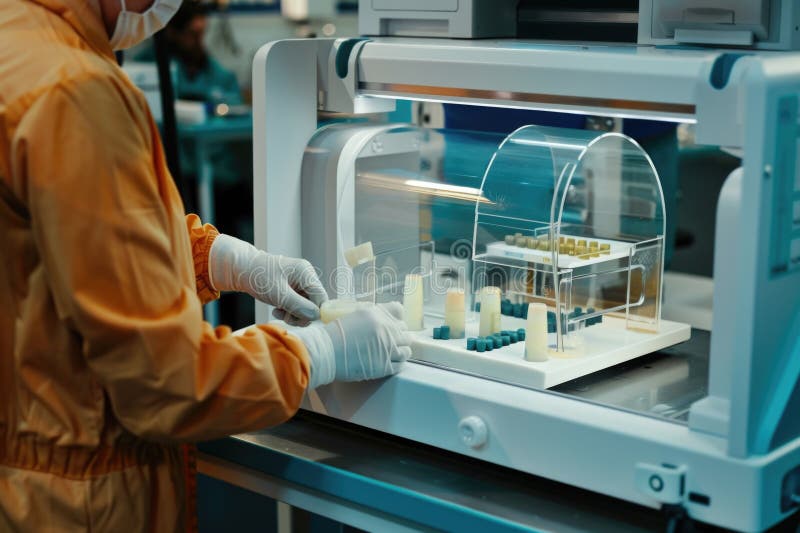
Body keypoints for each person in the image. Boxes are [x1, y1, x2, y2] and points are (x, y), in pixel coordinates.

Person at [0, 0, 411, 531]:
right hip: (77, 507)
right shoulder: (74, 91)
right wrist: (315, 353)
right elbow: (167, 384)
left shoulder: (18, 43)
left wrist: (215, 258)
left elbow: (68, 240)